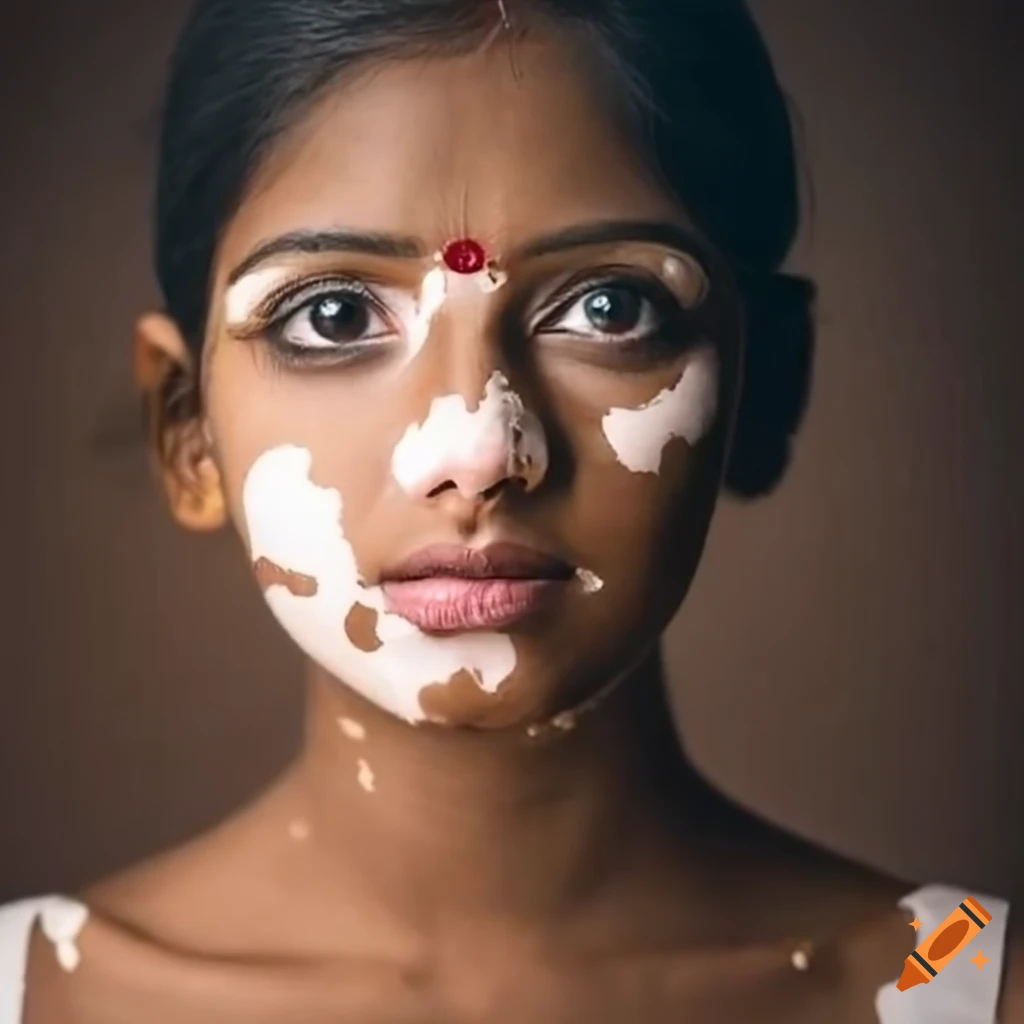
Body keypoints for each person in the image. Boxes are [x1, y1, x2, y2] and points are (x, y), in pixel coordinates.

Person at [0, 0, 1018, 1020]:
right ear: (186, 426)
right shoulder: (30, 992)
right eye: (334, 315)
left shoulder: (959, 985)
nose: (478, 450)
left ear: (764, 388)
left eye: (609, 308)